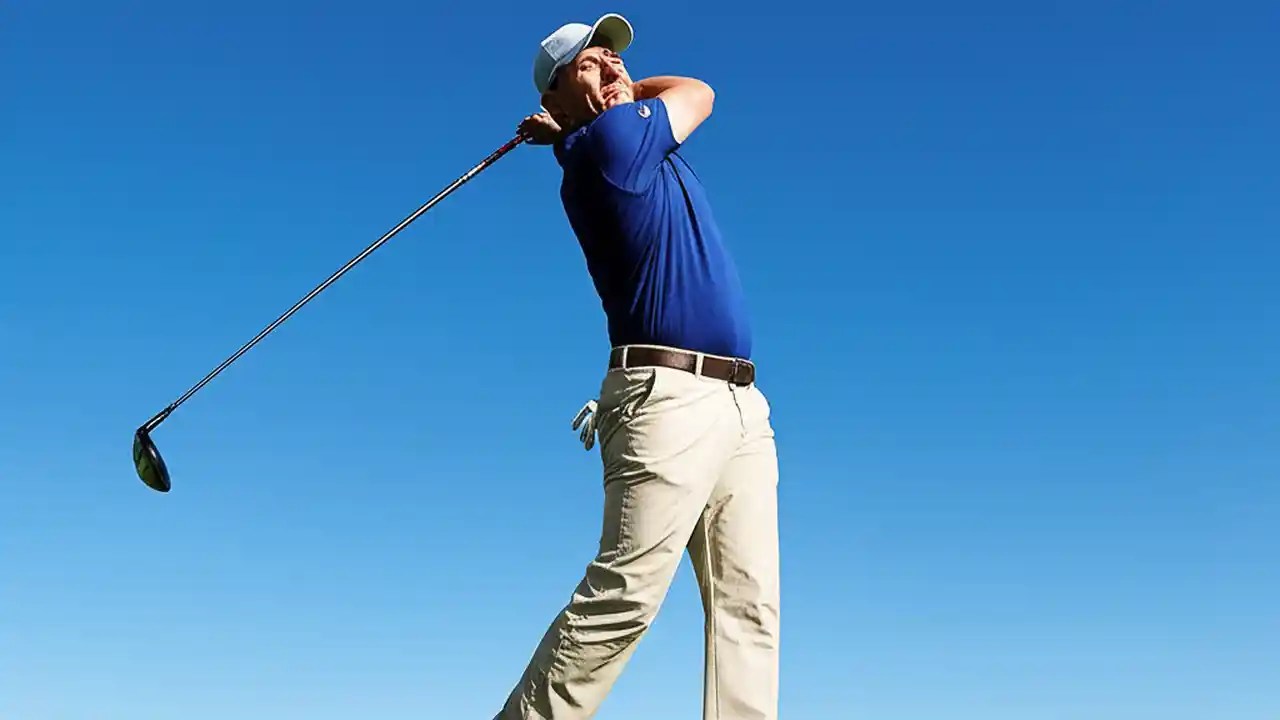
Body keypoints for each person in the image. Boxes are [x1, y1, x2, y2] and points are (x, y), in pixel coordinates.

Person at [495, 13, 780, 720]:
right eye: (592, 63)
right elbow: (701, 90)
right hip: (668, 397)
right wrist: (580, 119)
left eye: (617, 59)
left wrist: (571, 116)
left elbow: (650, 100)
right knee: (624, 596)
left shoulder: (603, 144)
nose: (616, 68)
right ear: (557, 95)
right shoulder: (613, 144)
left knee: (750, 612)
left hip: (741, 405)